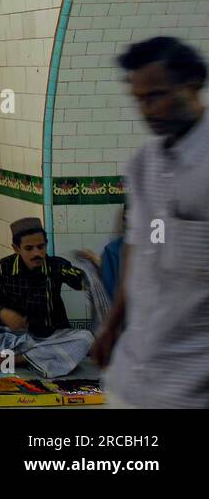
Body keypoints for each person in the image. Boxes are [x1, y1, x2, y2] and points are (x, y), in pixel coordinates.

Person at [94, 36, 209, 409]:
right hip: (136, 375)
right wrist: (112, 326)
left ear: (190, 84)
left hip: (192, 384)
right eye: (140, 100)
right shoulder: (145, 163)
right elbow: (137, 248)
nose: (148, 110)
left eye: (156, 96)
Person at [0, 217, 93, 379]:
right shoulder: (2, 269)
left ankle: (17, 359)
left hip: (47, 337)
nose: (37, 253)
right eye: (29, 248)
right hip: (9, 337)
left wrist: (90, 266)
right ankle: (34, 358)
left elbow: (81, 282)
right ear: (16, 248)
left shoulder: (56, 266)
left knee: (85, 339)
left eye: (40, 247)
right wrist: (2, 313)